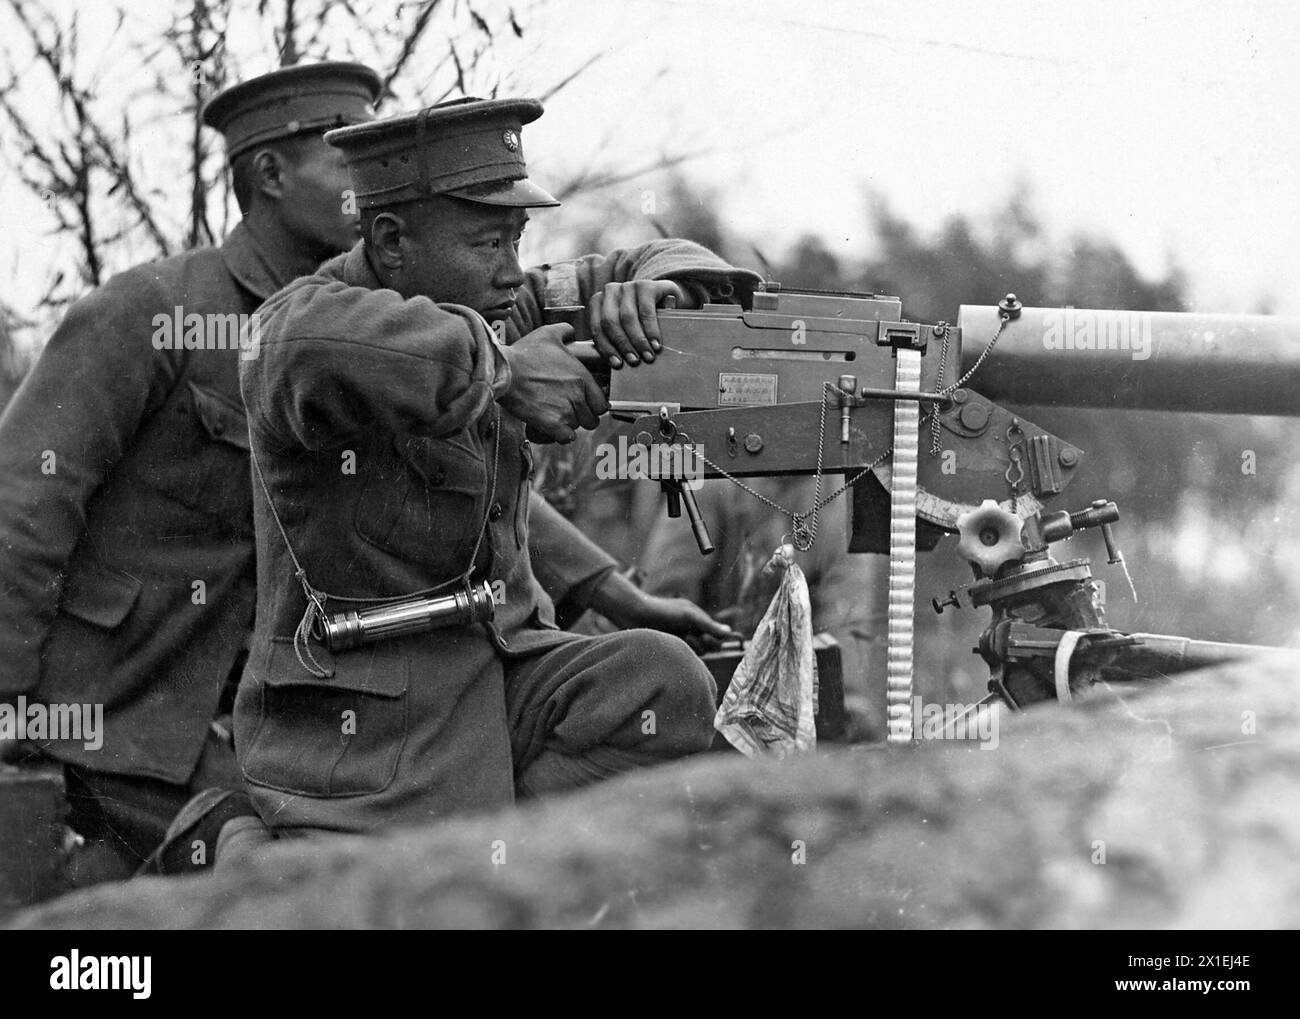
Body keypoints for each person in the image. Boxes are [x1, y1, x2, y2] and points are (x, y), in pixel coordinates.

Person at [235, 96, 764, 835]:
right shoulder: (303, 323)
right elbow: (303, 348)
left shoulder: (503, 300)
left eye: (518, 238)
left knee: (663, 679)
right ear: (390, 240)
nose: (515, 270)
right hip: (368, 729)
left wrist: (660, 295)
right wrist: (507, 373)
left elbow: (654, 262)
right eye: (490, 243)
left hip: (506, 677)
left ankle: (508, 849)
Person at [0, 62, 383, 882]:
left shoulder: (350, 336)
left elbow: (465, 474)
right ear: (272, 174)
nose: (371, 185)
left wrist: (603, 588)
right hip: (112, 719)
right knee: (293, 871)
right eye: (346, 159)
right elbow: (22, 507)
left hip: (262, 721)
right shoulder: (151, 312)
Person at [639, 477, 889, 740]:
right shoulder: (710, 482)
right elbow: (666, 596)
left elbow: (845, 615)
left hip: (793, 698)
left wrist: (845, 704)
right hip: (704, 686)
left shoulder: (840, 496)